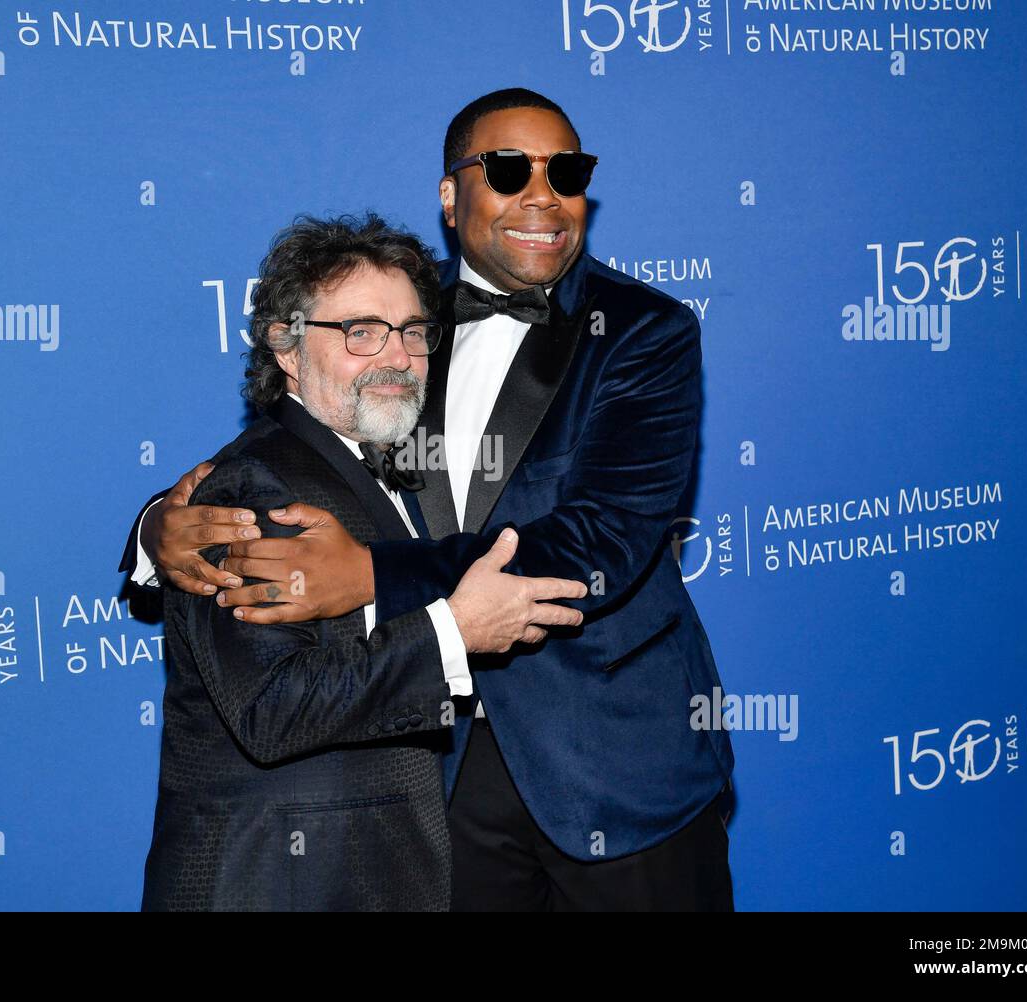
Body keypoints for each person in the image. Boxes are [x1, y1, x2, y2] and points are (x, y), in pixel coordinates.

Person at [125, 88, 736, 911]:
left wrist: (372, 575)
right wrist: (156, 526)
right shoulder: (396, 317)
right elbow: (286, 457)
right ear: (451, 196)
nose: (543, 194)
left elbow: (602, 544)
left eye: (567, 171)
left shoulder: (643, 330)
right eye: (510, 169)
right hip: (437, 777)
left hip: (611, 756)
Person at [139, 213, 586, 911]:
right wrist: (453, 633)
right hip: (285, 884)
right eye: (361, 331)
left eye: (413, 332)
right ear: (287, 347)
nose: (398, 355)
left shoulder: (392, 470)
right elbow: (274, 708)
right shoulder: (253, 490)